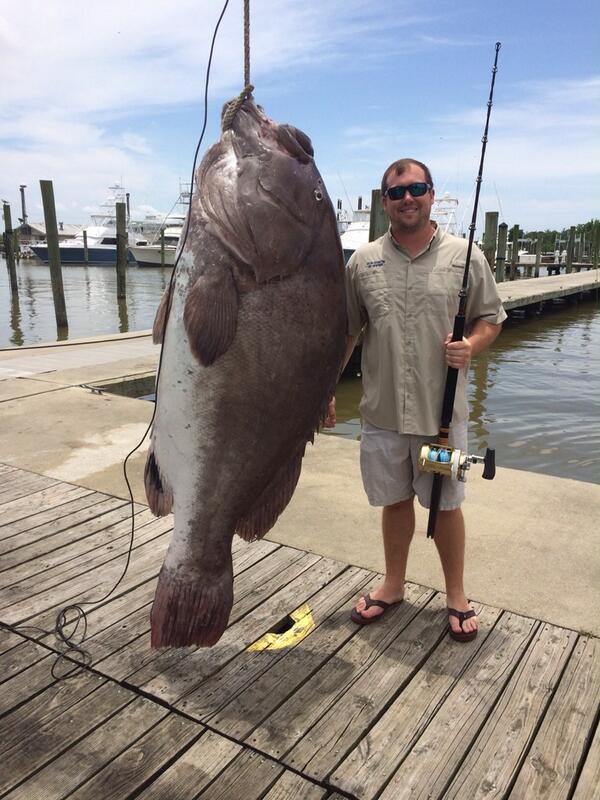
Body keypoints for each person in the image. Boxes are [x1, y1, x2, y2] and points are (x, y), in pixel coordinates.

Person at [326, 158, 506, 642]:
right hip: (382, 414)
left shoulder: (465, 256)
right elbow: (348, 330)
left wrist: (471, 346)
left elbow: (492, 318)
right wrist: (327, 389)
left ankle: (456, 594)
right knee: (394, 499)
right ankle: (393, 584)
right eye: (397, 192)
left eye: (417, 189)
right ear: (384, 202)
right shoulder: (363, 262)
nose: (408, 198)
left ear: (431, 194)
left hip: (440, 416)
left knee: (445, 502)